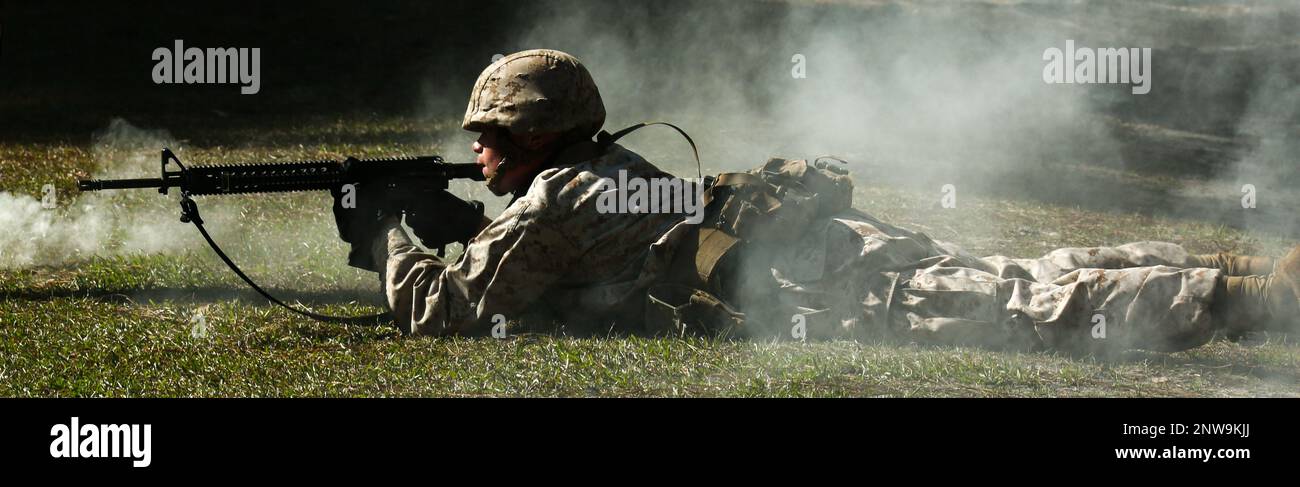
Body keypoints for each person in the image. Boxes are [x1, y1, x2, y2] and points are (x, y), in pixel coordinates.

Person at [335, 49, 1299, 354]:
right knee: (1021, 273)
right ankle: (1246, 270)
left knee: (1028, 305)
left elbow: (451, 308)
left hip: (836, 284)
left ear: (541, 135)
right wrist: (454, 225)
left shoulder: (556, 197)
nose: (478, 147)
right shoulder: (617, 167)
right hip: (840, 244)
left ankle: (1255, 298)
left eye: (494, 132)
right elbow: (560, 251)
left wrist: (386, 239)